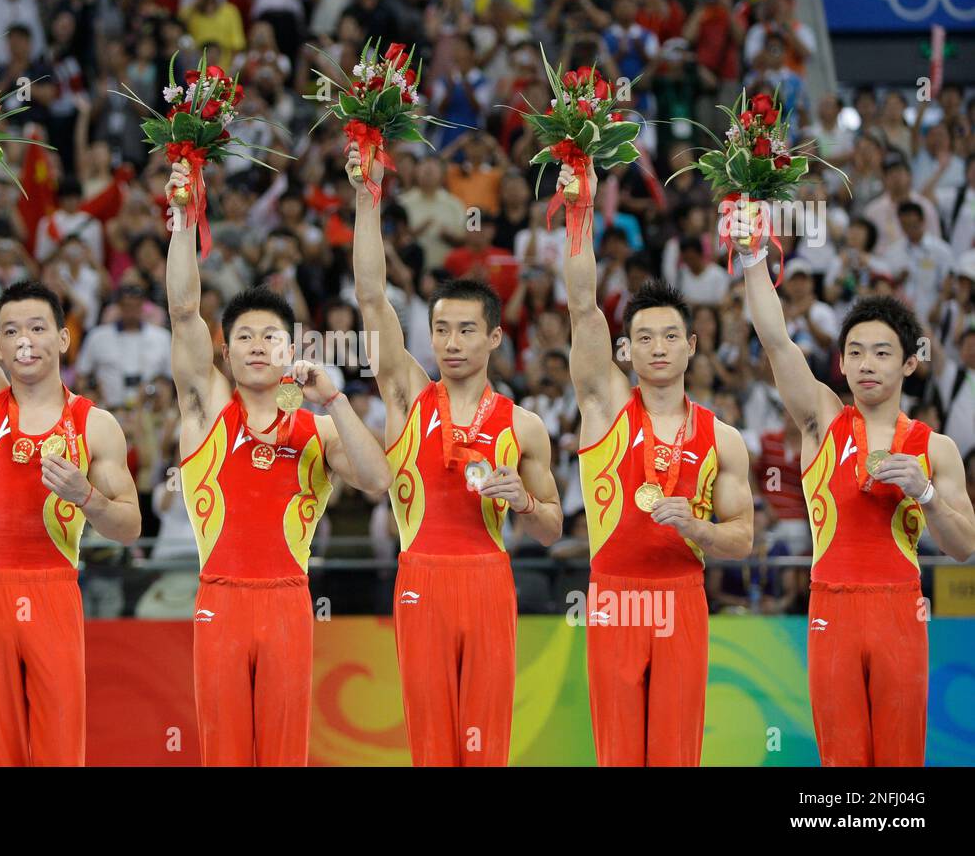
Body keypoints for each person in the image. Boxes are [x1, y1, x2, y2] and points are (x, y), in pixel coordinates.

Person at [164, 159, 392, 766]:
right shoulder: (207, 407)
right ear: (226, 349)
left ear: (292, 349)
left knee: (285, 753)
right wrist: (183, 220)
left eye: (270, 336)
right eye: (243, 336)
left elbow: (378, 481)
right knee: (225, 754)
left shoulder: (318, 427)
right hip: (220, 601)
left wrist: (337, 400)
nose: (257, 345)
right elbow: (184, 313)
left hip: (289, 601)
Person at [0, 166, 141, 767]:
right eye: (10, 331)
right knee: (0, 750)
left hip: (55, 592)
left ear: (63, 338)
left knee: (59, 747)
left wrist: (85, 496)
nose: (24, 342)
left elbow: (129, 527)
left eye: (38, 328)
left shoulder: (95, 424)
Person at [348, 142, 563, 766]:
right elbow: (370, 298)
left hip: (489, 581)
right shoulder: (410, 395)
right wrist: (368, 196)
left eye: (466, 329)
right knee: (430, 746)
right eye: (441, 329)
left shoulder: (523, 427)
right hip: (421, 580)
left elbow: (550, 531)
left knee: (485, 743)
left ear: (495, 337)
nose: (451, 341)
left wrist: (523, 499)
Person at [738, 206, 975, 766]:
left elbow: (965, 547)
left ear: (910, 365)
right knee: (841, 763)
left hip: (899, 610)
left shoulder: (934, 449)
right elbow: (775, 340)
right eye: (856, 352)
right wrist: (752, 255)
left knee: (899, 765)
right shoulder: (822, 418)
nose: (868, 364)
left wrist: (925, 492)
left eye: (883, 352)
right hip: (831, 609)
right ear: (841, 364)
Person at [560, 161, 755, 767]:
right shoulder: (605, 405)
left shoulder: (723, 439)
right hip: (615, 596)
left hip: (681, 596)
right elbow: (582, 307)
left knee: (676, 754)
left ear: (692, 345)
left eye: (671, 337)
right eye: (644, 338)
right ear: (627, 348)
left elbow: (743, 540)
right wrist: (580, 210)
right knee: (619, 754)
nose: (658, 348)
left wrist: (696, 527)